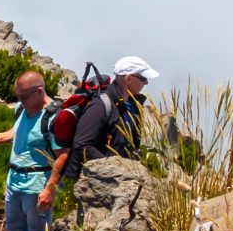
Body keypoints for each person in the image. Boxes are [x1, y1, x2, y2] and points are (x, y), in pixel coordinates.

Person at [42, 55, 154, 214]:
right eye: (143, 79)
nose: (146, 83)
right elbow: (82, 144)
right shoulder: (101, 105)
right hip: (87, 183)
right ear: (128, 79)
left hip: (112, 181)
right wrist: (113, 166)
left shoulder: (132, 106)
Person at [0, 71, 56, 231]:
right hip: (14, 183)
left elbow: (63, 155)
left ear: (40, 91)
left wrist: (50, 189)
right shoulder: (22, 108)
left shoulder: (53, 116)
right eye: (18, 96)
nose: (21, 100)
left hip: (37, 186)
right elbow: (17, 131)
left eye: (25, 96)